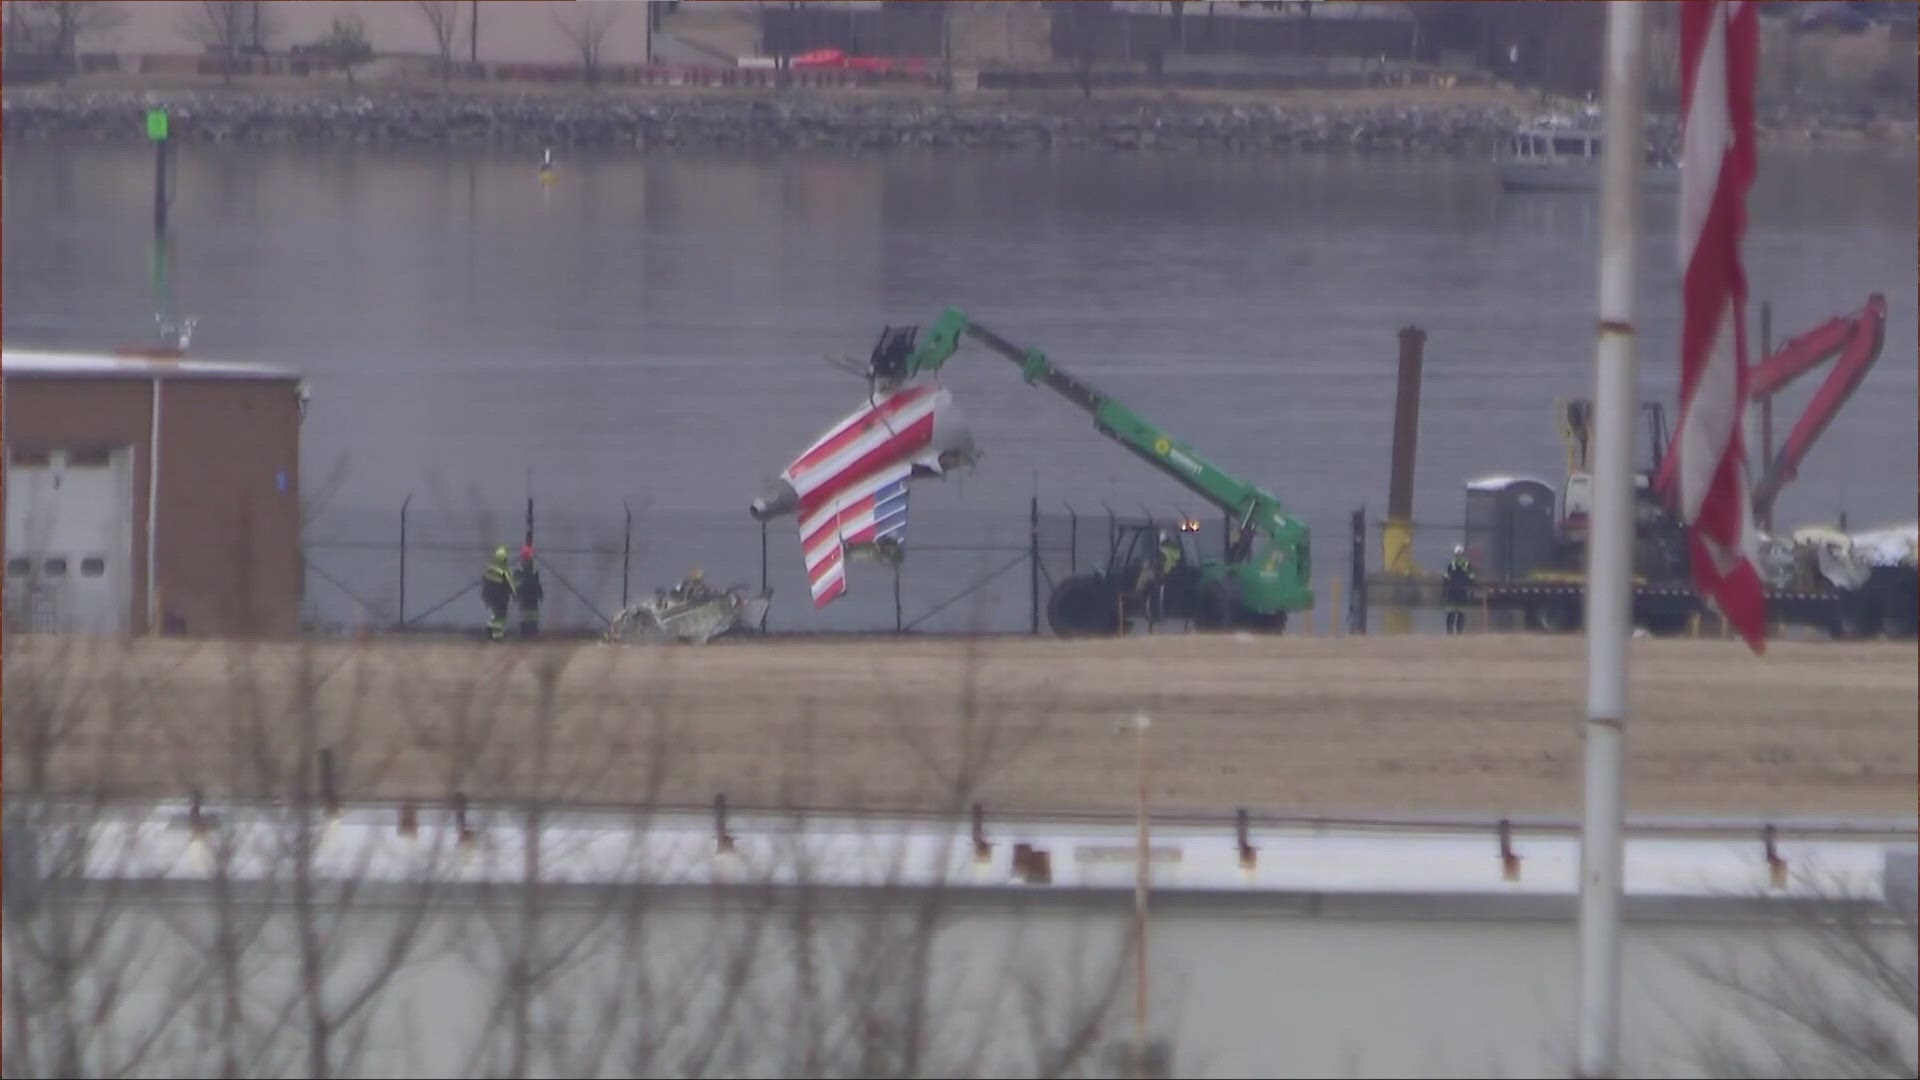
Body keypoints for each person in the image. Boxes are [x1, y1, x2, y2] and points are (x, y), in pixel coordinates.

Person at [481, 546, 516, 642]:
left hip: (490, 597)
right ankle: (498, 635)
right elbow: (510, 582)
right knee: (501, 616)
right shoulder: (504, 570)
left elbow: (484, 581)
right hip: (501, 596)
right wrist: (514, 594)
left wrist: (485, 596)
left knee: (495, 613)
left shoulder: (490, 568)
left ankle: (490, 626)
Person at [1444, 544, 1476, 635]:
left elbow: (1446, 577)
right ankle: (1459, 633)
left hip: (1452, 590)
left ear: (1455, 553)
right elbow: (1471, 577)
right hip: (1462, 590)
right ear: (1463, 553)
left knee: (1451, 612)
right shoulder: (1466, 563)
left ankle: (1449, 633)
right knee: (1461, 613)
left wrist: (1443, 592)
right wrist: (1472, 590)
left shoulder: (1451, 563)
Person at [514, 545, 544, 638]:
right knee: (525, 616)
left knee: (532, 616)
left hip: (531, 598)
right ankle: (525, 632)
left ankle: (532, 631)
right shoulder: (519, 573)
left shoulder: (533, 573)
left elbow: (537, 584)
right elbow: (517, 585)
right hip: (525, 598)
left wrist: (539, 593)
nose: (525, 562)